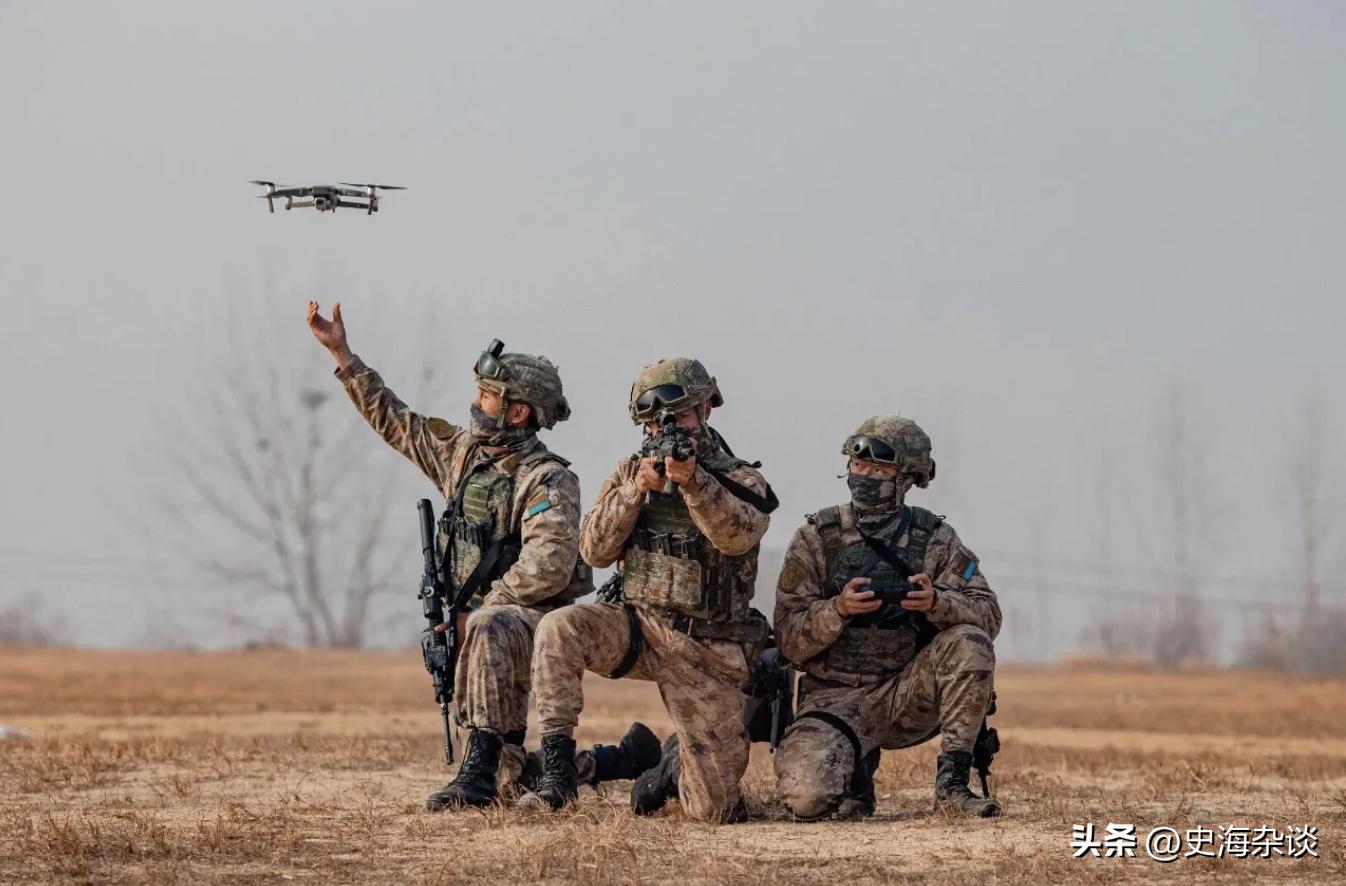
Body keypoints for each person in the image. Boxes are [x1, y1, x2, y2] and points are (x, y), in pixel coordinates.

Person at [307, 301, 615, 809]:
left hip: (532, 625)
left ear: (518, 411)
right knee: (512, 780)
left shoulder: (548, 478)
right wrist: (343, 355)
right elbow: (397, 422)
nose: (476, 401)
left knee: (491, 626)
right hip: (481, 626)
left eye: (488, 395)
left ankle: (476, 768)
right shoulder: (464, 455)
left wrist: (481, 606)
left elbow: (549, 564)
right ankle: (618, 760)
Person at [526, 357, 776, 822]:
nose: (664, 428)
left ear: (706, 409)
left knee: (714, 810)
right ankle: (558, 773)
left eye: (678, 416)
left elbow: (736, 536)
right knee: (560, 628)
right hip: (637, 626)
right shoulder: (629, 473)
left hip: (703, 646)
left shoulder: (742, 480)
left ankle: (664, 765)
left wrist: (695, 483)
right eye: (653, 421)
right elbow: (594, 550)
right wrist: (634, 493)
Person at [772, 416, 1002, 820]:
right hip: (833, 699)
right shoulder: (815, 537)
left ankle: (951, 785)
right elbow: (788, 639)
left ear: (907, 478)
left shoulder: (935, 538)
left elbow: (989, 615)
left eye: (879, 470)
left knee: (970, 641)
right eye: (859, 467)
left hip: (906, 694)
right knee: (806, 799)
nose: (865, 477)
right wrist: (837, 610)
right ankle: (854, 777)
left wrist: (937, 603)